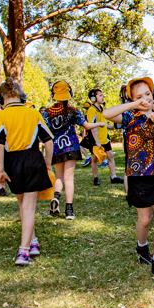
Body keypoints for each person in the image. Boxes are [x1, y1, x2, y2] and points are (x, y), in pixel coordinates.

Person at [103, 77, 154, 280]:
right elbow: (106, 114)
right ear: (132, 99)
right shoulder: (129, 117)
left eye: (147, 94)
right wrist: (133, 105)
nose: (144, 98)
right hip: (138, 175)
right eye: (138, 96)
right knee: (145, 220)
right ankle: (142, 246)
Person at [0, 78, 54, 266]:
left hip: (11, 162)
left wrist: (0, 170)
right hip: (33, 160)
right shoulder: (33, 113)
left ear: (1, 98)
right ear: (21, 95)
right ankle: (25, 249)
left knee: (22, 203)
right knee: (29, 206)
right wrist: (47, 163)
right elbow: (48, 141)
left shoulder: (0, 116)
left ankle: (30, 243)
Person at [42, 81, 104, 220]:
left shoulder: (47, 112)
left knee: (59, 177)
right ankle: (69, 210)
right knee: (69, 178)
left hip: (56, 147)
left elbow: (43, 130)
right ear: (69, 94)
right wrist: (99, 123)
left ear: (54, 95)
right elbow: (86, 126)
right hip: (71, 146)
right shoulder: (74, 111)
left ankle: (56, 196)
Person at [83, 88, 122, 186]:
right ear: (93, 98)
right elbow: (92, 126)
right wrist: (97, 141)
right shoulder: (91, 110)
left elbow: (103, 124)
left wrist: (112, 127)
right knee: (95, 158)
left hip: (105, 138)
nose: (102, 97)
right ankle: (95, 178)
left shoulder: (102, 109)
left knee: (110, 156)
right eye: (100, 95)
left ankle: (113, 176)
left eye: (102, 95)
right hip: (95, 139)